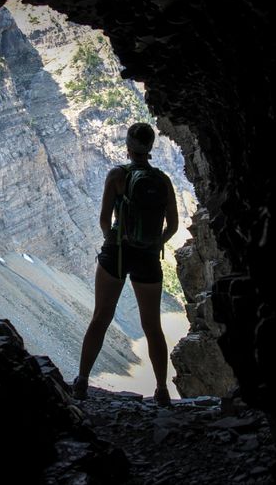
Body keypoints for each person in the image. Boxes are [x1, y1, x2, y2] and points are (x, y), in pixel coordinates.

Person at [71, 122, 178, 407]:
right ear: (151, 148)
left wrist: (114, 240)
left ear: (128, 148)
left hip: (117, 253)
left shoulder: (118, 175)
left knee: (101, 318)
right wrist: (155, 243)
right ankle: (162, 390)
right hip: (148, 257)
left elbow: (105, 219)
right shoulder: (163, 180)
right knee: (152, 325)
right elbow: (174, 225)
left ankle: (81, 382)